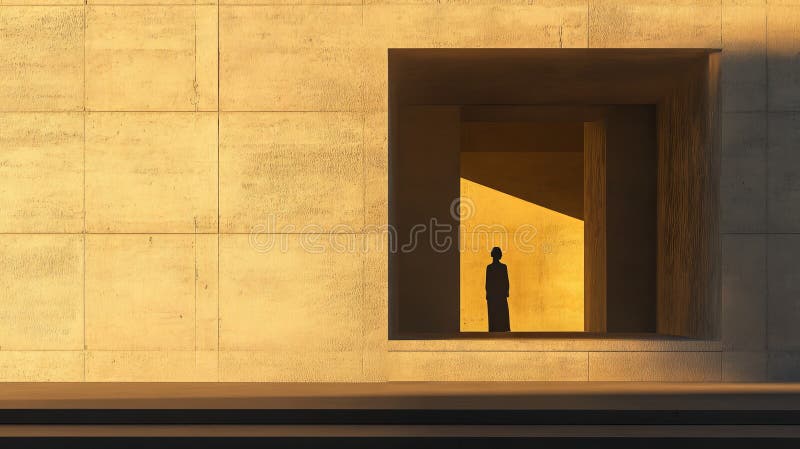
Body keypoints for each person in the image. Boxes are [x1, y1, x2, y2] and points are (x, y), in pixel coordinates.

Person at [485, 247, 510, 332]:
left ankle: (494, 329)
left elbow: (487, 283)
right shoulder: (503, 267)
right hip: (500, 294)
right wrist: (506, 292)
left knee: (494, 313)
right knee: (501, 313)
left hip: (493, 295)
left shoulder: (489, 267)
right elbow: (506, 281)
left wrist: (488, 294)